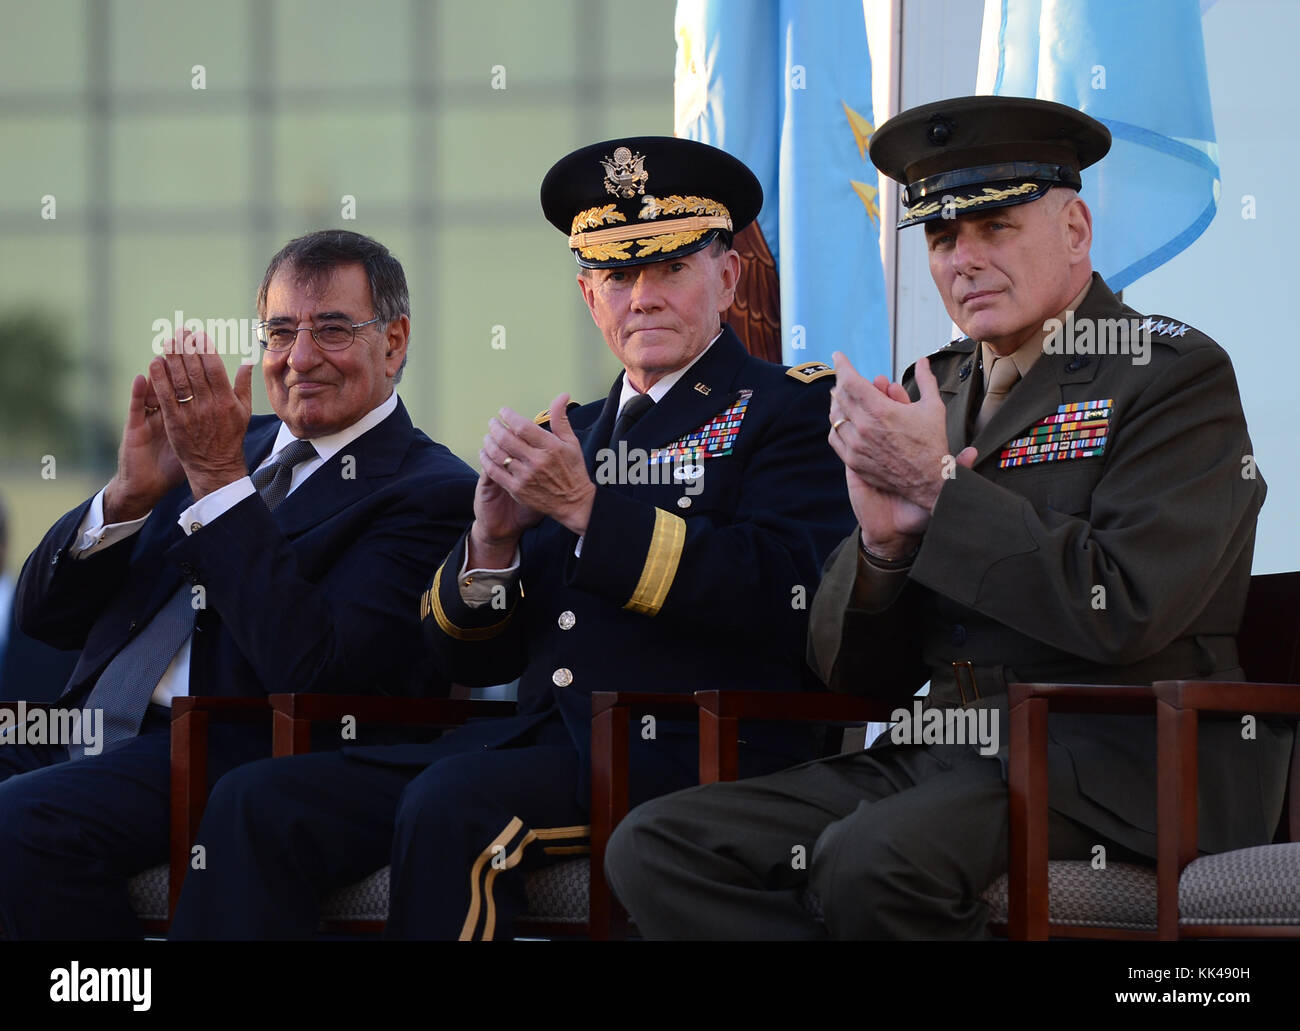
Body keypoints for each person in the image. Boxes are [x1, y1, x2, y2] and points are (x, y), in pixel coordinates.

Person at [604, 96, 1292, 939]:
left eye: (994, 227)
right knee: (659, 845)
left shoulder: (1169, 373)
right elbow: (853, 680)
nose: (962, 259)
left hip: (1121, 759)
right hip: (950, 749)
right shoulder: (936, 383)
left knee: (871, 861)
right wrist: (884, 548)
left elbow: (1126, 607)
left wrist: (939, 492)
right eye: (939, 237)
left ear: (1075, 229)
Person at [168, 136, 855, 940]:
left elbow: (789, 592)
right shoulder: (574, 432)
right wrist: (490, 546)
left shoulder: (793, 408)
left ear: (727, 276)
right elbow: (472, 657)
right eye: (618, 275)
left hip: (695, 752)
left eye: (670, 268)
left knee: (452, 805)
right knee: (258, 799)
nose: (644, 297)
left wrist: (590, 513)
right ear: (588, 295)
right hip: (542, 739)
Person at [0, 229, 477, 938]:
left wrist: (221, 485)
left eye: (334, 330)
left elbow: (317, 673)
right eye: (281, 331)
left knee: (19, 824)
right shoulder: (222, 438)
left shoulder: (429, 490)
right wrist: (128, 494)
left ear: (396, 341)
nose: (301, 357)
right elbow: (43, 618)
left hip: (233, 750)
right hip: (91, 724)